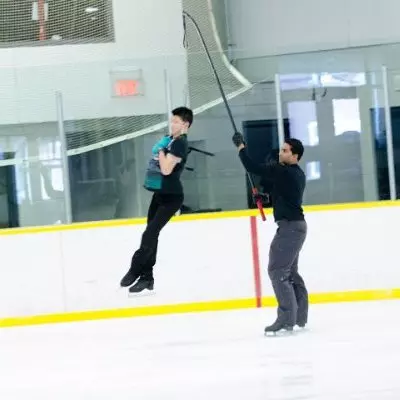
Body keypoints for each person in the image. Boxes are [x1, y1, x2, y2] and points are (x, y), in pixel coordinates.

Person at [232, 132, 308, 334]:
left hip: (290, 228)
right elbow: (283, 197)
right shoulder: (295, 173)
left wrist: (241, 148)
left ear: (295, 156)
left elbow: (252, 167)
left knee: (277, 271)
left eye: (285, 151)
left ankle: (286, 318)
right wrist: (264, 197)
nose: (280, 154)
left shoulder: (284, 172)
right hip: (295, 226)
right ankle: (299, 315)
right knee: (289, 272)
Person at [120, 107, 193, 293]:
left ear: (185, 124)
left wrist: (160, 151)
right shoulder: (172, 141)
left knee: (149, 234)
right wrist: (163, 147)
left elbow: (167, 169)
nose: (172, 124)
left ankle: (135, 268)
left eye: (176, 121)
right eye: (172, 121)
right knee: (151, 234)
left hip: (172, 198)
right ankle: (147, 277)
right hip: (160, 194)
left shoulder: (179, 144)